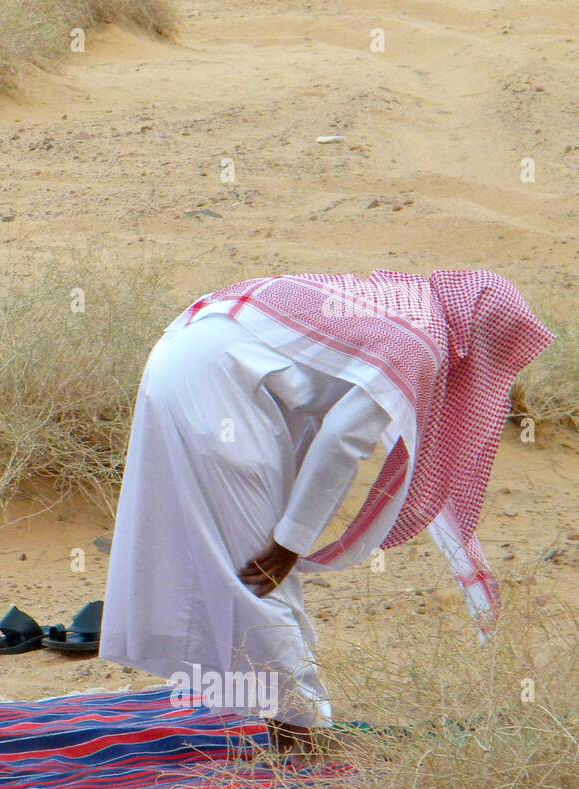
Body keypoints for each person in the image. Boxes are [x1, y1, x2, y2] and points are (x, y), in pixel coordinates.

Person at [100, 270, 553, 750]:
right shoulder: (418, 343)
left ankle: (288, 719)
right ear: (475, 335)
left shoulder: (403, 304)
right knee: (258, 569)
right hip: (216, 389)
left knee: (236, 558)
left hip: (191, 361)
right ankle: (301, 736)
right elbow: (342, 440)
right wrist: (292, 542)